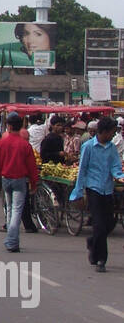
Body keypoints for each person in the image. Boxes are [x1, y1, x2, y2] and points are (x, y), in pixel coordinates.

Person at [70, 115, 124, 273]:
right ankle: (101, 259)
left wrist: (120, 177)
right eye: (112, 132)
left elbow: (115, 166)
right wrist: (78, 191)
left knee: (109, 224)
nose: (113, 135)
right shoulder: (88, 147)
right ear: (104, 131)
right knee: (99, 225)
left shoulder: (111, 148)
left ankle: (92, 242)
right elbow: (82, 170)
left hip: (108, 189)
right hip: (93, 189)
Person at [0, 113, 38, 253]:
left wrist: (2, 174)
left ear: (9, 126)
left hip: (6, 179)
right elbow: (32, 167)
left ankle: (11, 239)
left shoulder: (1, 143)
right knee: (16, 210)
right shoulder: (25, 145)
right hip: (20, 180)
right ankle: (12, 241)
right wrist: (33, 183)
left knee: (10, 209)